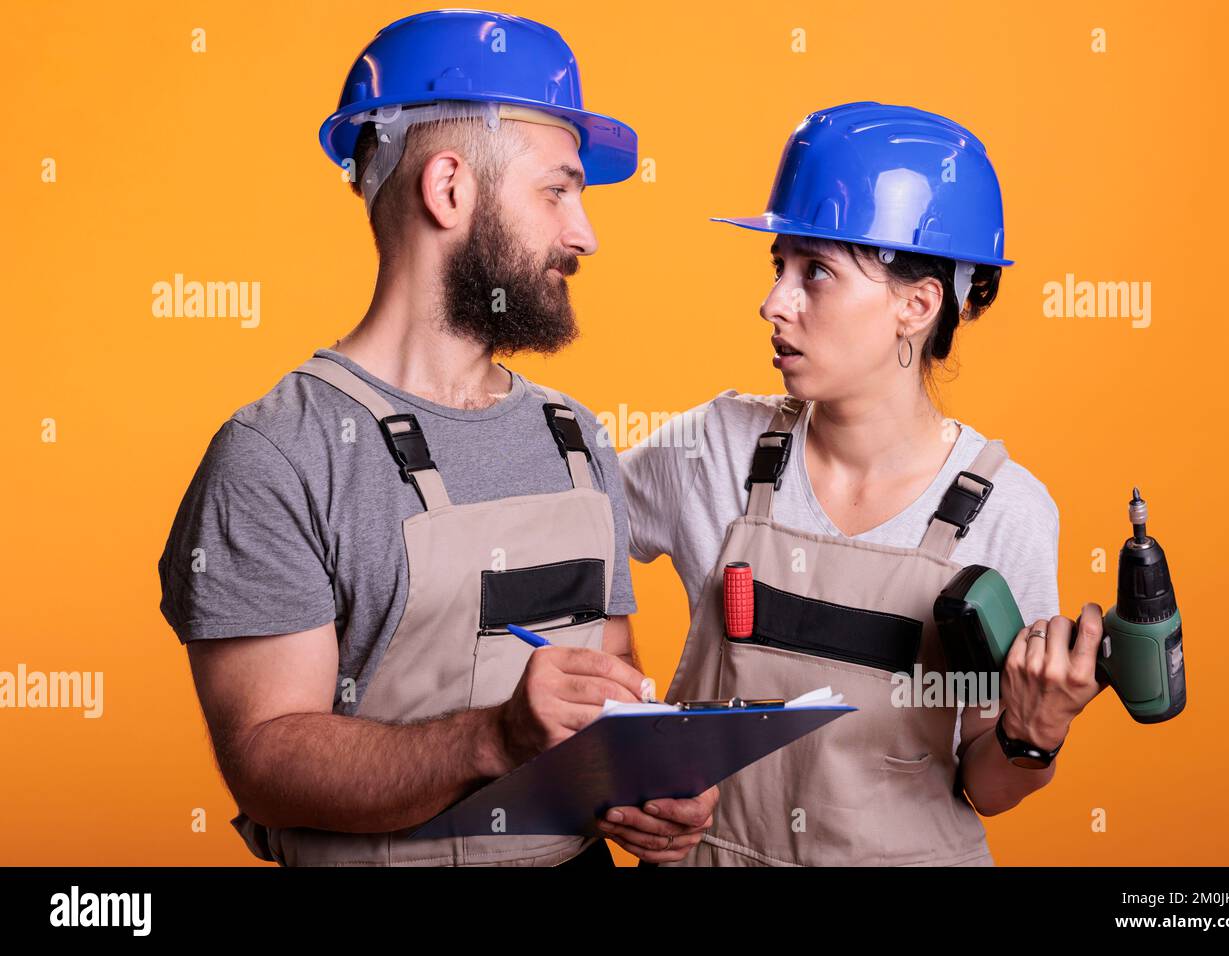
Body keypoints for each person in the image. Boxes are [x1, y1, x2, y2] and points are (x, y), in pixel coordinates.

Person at [157, 9, 716, 868]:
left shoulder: (574, 438)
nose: (586, 234)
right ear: (449, 188)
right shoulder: (278, 454)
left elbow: (609, 678)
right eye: (558, 189)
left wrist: (649, 782)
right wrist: (491, 739)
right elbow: (266, 760)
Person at [614, 102, 1106, 866]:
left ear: (917, 305)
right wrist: (626, 741)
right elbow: (576, 541)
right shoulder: (715, 446)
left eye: (816, 271)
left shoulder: (1007, 512)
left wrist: (1031, 734)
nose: (774, 302)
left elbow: (989, 786)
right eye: (777, 266)